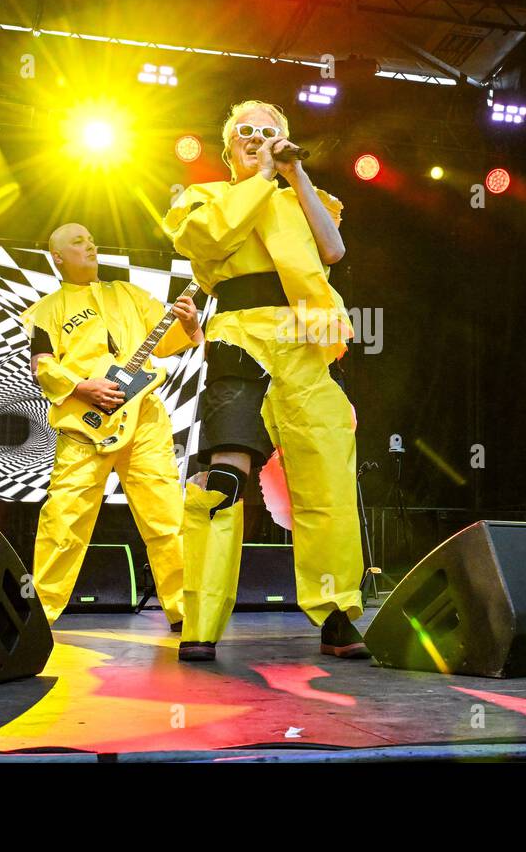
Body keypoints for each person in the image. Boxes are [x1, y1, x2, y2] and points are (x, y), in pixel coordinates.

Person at [163, 100, 366, 663]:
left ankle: (336, 613)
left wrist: (295, 174)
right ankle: (200, 618)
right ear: (228, 146)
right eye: (245, 131)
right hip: (240, 339)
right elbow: (211, 241)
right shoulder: (204, 197)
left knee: (326, 480)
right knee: (222, 479)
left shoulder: (301, 196)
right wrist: (260, 178)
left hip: (304, 346)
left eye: (268, 131)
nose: (257, 137)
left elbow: (332, 250)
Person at [23, 223, 203, 626]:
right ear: (57, 257)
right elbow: (41, 364)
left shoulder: (128, 294)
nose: (89, 245)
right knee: (63, 521)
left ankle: (187, 616)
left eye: (90, 238)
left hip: (145, 420)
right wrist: (81, 386)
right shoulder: (47, 309)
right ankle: (40, 617)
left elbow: (168, 340)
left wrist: (190, 324)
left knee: (168, 517)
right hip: (85, 427)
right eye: (77, 242)